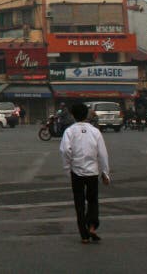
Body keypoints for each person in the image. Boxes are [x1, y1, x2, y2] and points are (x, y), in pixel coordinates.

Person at [60, 103, 111, 244]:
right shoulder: (95, 131)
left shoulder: (70, 131)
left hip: (76, 172)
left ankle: (84, 235)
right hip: (92, 172)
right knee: (93, 200)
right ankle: (93, 226)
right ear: (87, 115)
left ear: (73, 115)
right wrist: (105, 172)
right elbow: (102, 153)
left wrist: (67, 167)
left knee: (79, 203)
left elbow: (65, 150)